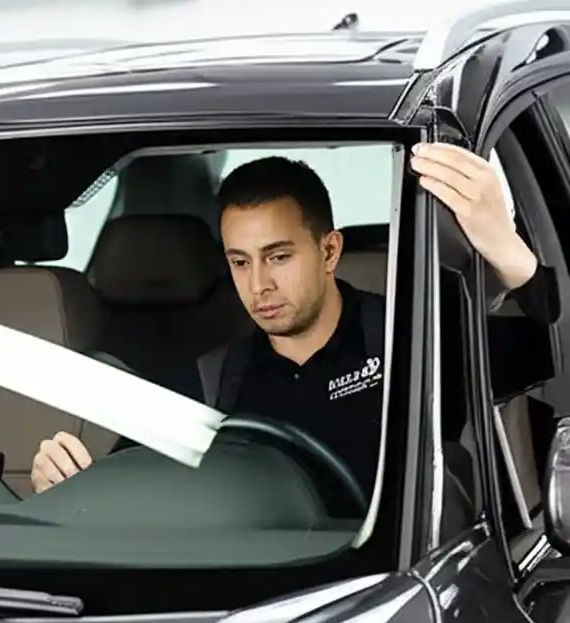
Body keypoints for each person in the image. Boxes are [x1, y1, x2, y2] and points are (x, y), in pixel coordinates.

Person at [30, 142, 559, 494]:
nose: (258, 284)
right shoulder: (207, 382)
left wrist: (508, 253)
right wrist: (66, 487)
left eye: (279, 256)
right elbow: (119, 496)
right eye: (240, 261)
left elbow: (558, 359)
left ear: (329, 252)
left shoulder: (419, 342)